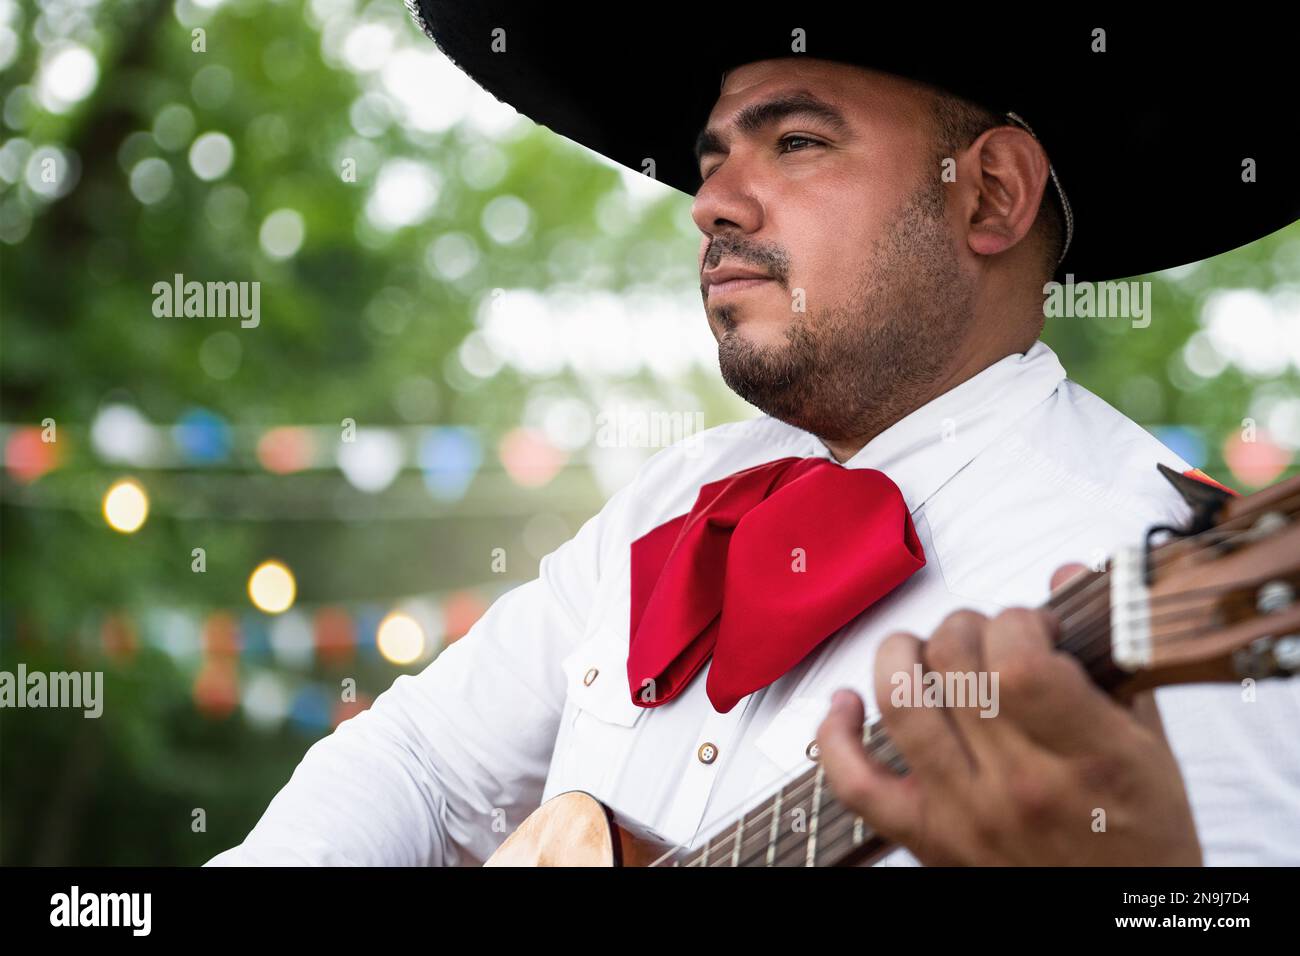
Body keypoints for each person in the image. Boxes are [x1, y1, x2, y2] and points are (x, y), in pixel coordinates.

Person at [205, 11, 1300, 866]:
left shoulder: (1160, 559)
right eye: (712, 154)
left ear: (989, 195)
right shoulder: (669, 494)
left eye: (795, 140)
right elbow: (421, 764)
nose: (711, 200)